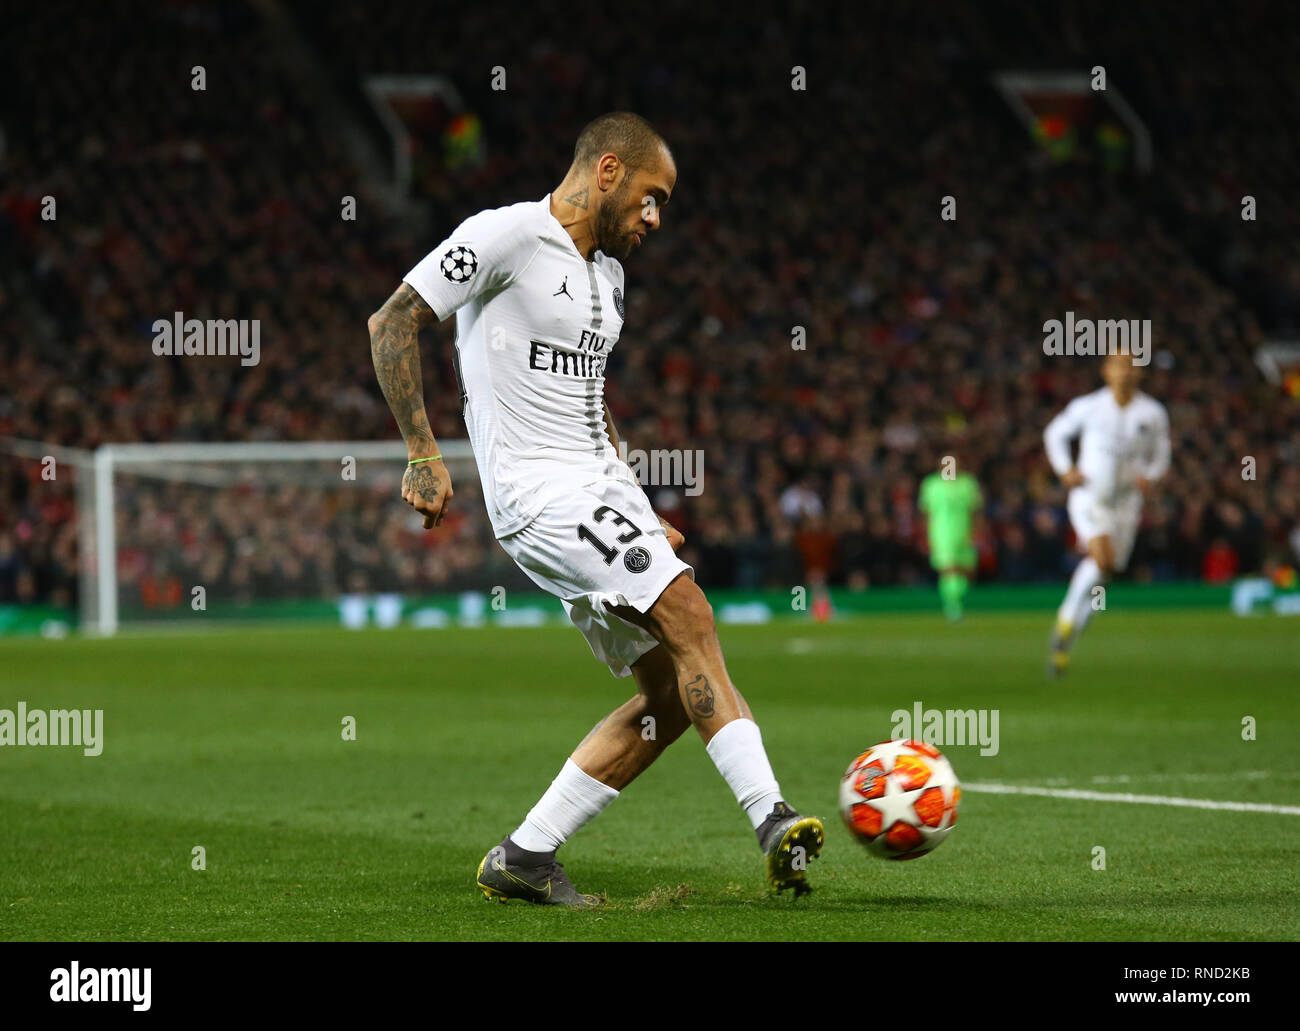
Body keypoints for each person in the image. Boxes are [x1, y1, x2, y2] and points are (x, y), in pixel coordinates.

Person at [368, 113, 823, 907]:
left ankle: (525, 854)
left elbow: (590, 401)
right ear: (608, 170)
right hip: (538, 493)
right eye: (652, 197)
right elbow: (392, 320)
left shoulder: (608, 280)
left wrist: (640, 507)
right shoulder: (507, 235)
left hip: (596, 488)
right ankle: (771, 818)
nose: (656, 218)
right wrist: (423, 450)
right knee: (693, 615)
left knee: (670, 694)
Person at [1043, 353, 1170, 676]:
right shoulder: (1089, 407)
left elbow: (1161, 455)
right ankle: (1066, 617)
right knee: (1102, 560)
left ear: (1140, 372)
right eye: (1119, 365)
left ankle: (1063, 643)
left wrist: (1151, 475)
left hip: (1126, 506)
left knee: (1104, 576)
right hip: (1090, 498)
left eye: (1132, 365)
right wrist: (1065, 469)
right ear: (1106, 371)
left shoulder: (1152, 413)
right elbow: (1054, 433)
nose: (1125, 372)